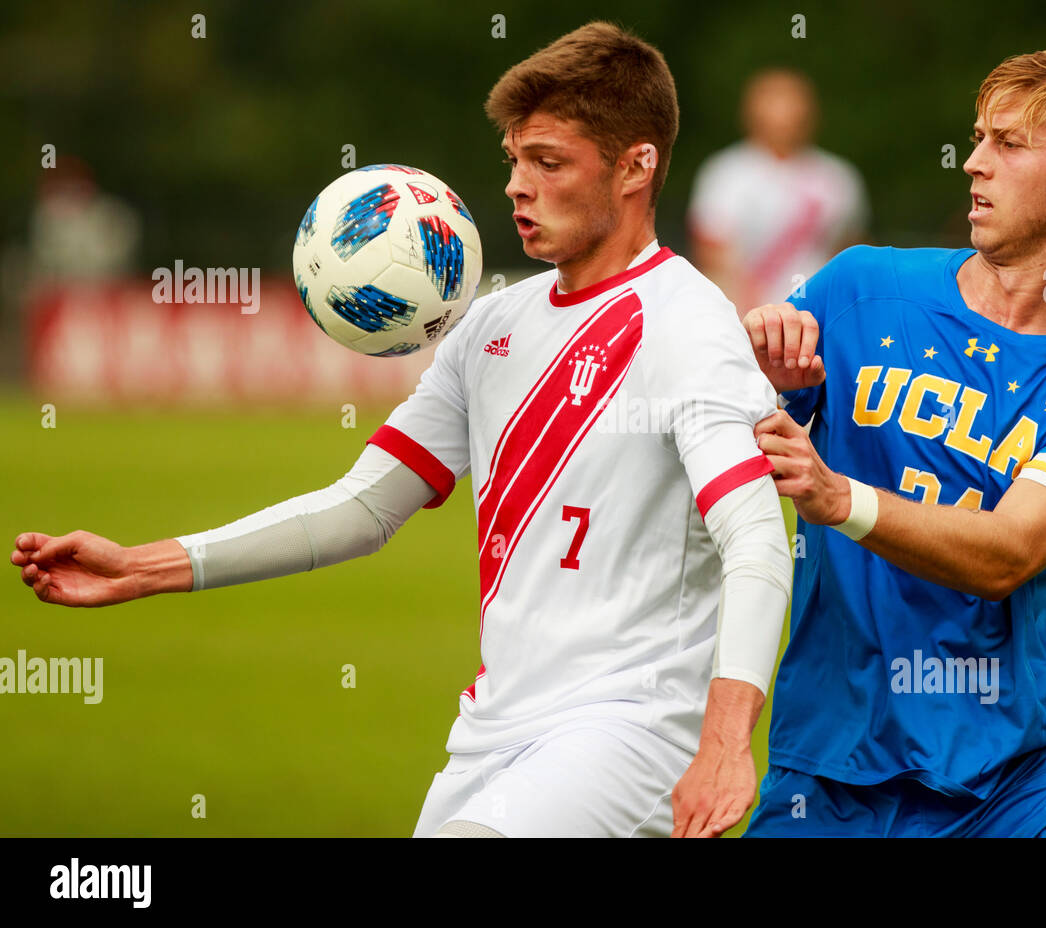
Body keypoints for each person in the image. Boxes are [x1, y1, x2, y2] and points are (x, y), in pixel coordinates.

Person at [11, 22, 791, 839]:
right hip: (494, 733)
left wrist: (727, 743)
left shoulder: (690, 324)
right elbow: (361, 509)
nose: (518, 187)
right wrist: (144, 566)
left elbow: (756, 540)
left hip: (629, 733)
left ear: (638, 165)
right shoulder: (490, 325)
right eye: (515, 161)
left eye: (549, 163)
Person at [739, 36, 1046, 837]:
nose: (974, 163)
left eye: (1007, 144)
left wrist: (838, 497)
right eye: (978, 137)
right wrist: (774, 374)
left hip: (1013, 789)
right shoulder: (859, 284)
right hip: (826, 779)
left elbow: (1008, 554)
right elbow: (725, 441)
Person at [689, 68, 868, 313]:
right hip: (747, 318)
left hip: (817, 318)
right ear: (750, 111)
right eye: (773, 100)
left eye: (793, 102)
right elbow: (712, 254)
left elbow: (850, 254)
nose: (784, 113)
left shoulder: (837, 177)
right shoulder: (726, 174)